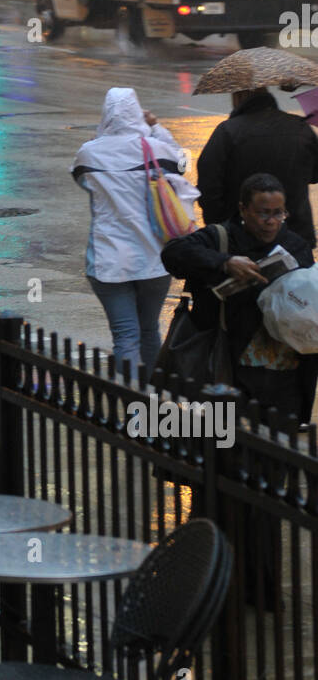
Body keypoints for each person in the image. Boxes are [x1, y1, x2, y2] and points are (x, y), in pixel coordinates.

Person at [161, 173, 318, 426]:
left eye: (279, 213)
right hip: (226, 363)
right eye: (263, 213)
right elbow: (173, 253)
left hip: (283, 370)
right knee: (225, 440)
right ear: (243, 210)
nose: (271, 222)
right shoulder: (220, 238)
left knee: (276, 444)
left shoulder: (295, 245)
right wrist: (224, 263)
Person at [72, 87, 198, 376]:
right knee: (149, 330)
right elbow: (180, 165)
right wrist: (156, 127)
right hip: (154, 260)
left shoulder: (89, 153)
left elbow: (82, 180)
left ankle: (131, 407)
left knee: (125, 335)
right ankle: (151, 400)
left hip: (108, 262)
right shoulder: (155, 149)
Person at [197, 85, 318, 246]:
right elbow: (314, 175)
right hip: (296, 233)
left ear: (238, 97)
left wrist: (219, 227)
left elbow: (208, 186)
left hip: (242, 237)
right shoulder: (300, 128)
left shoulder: (227, 132)